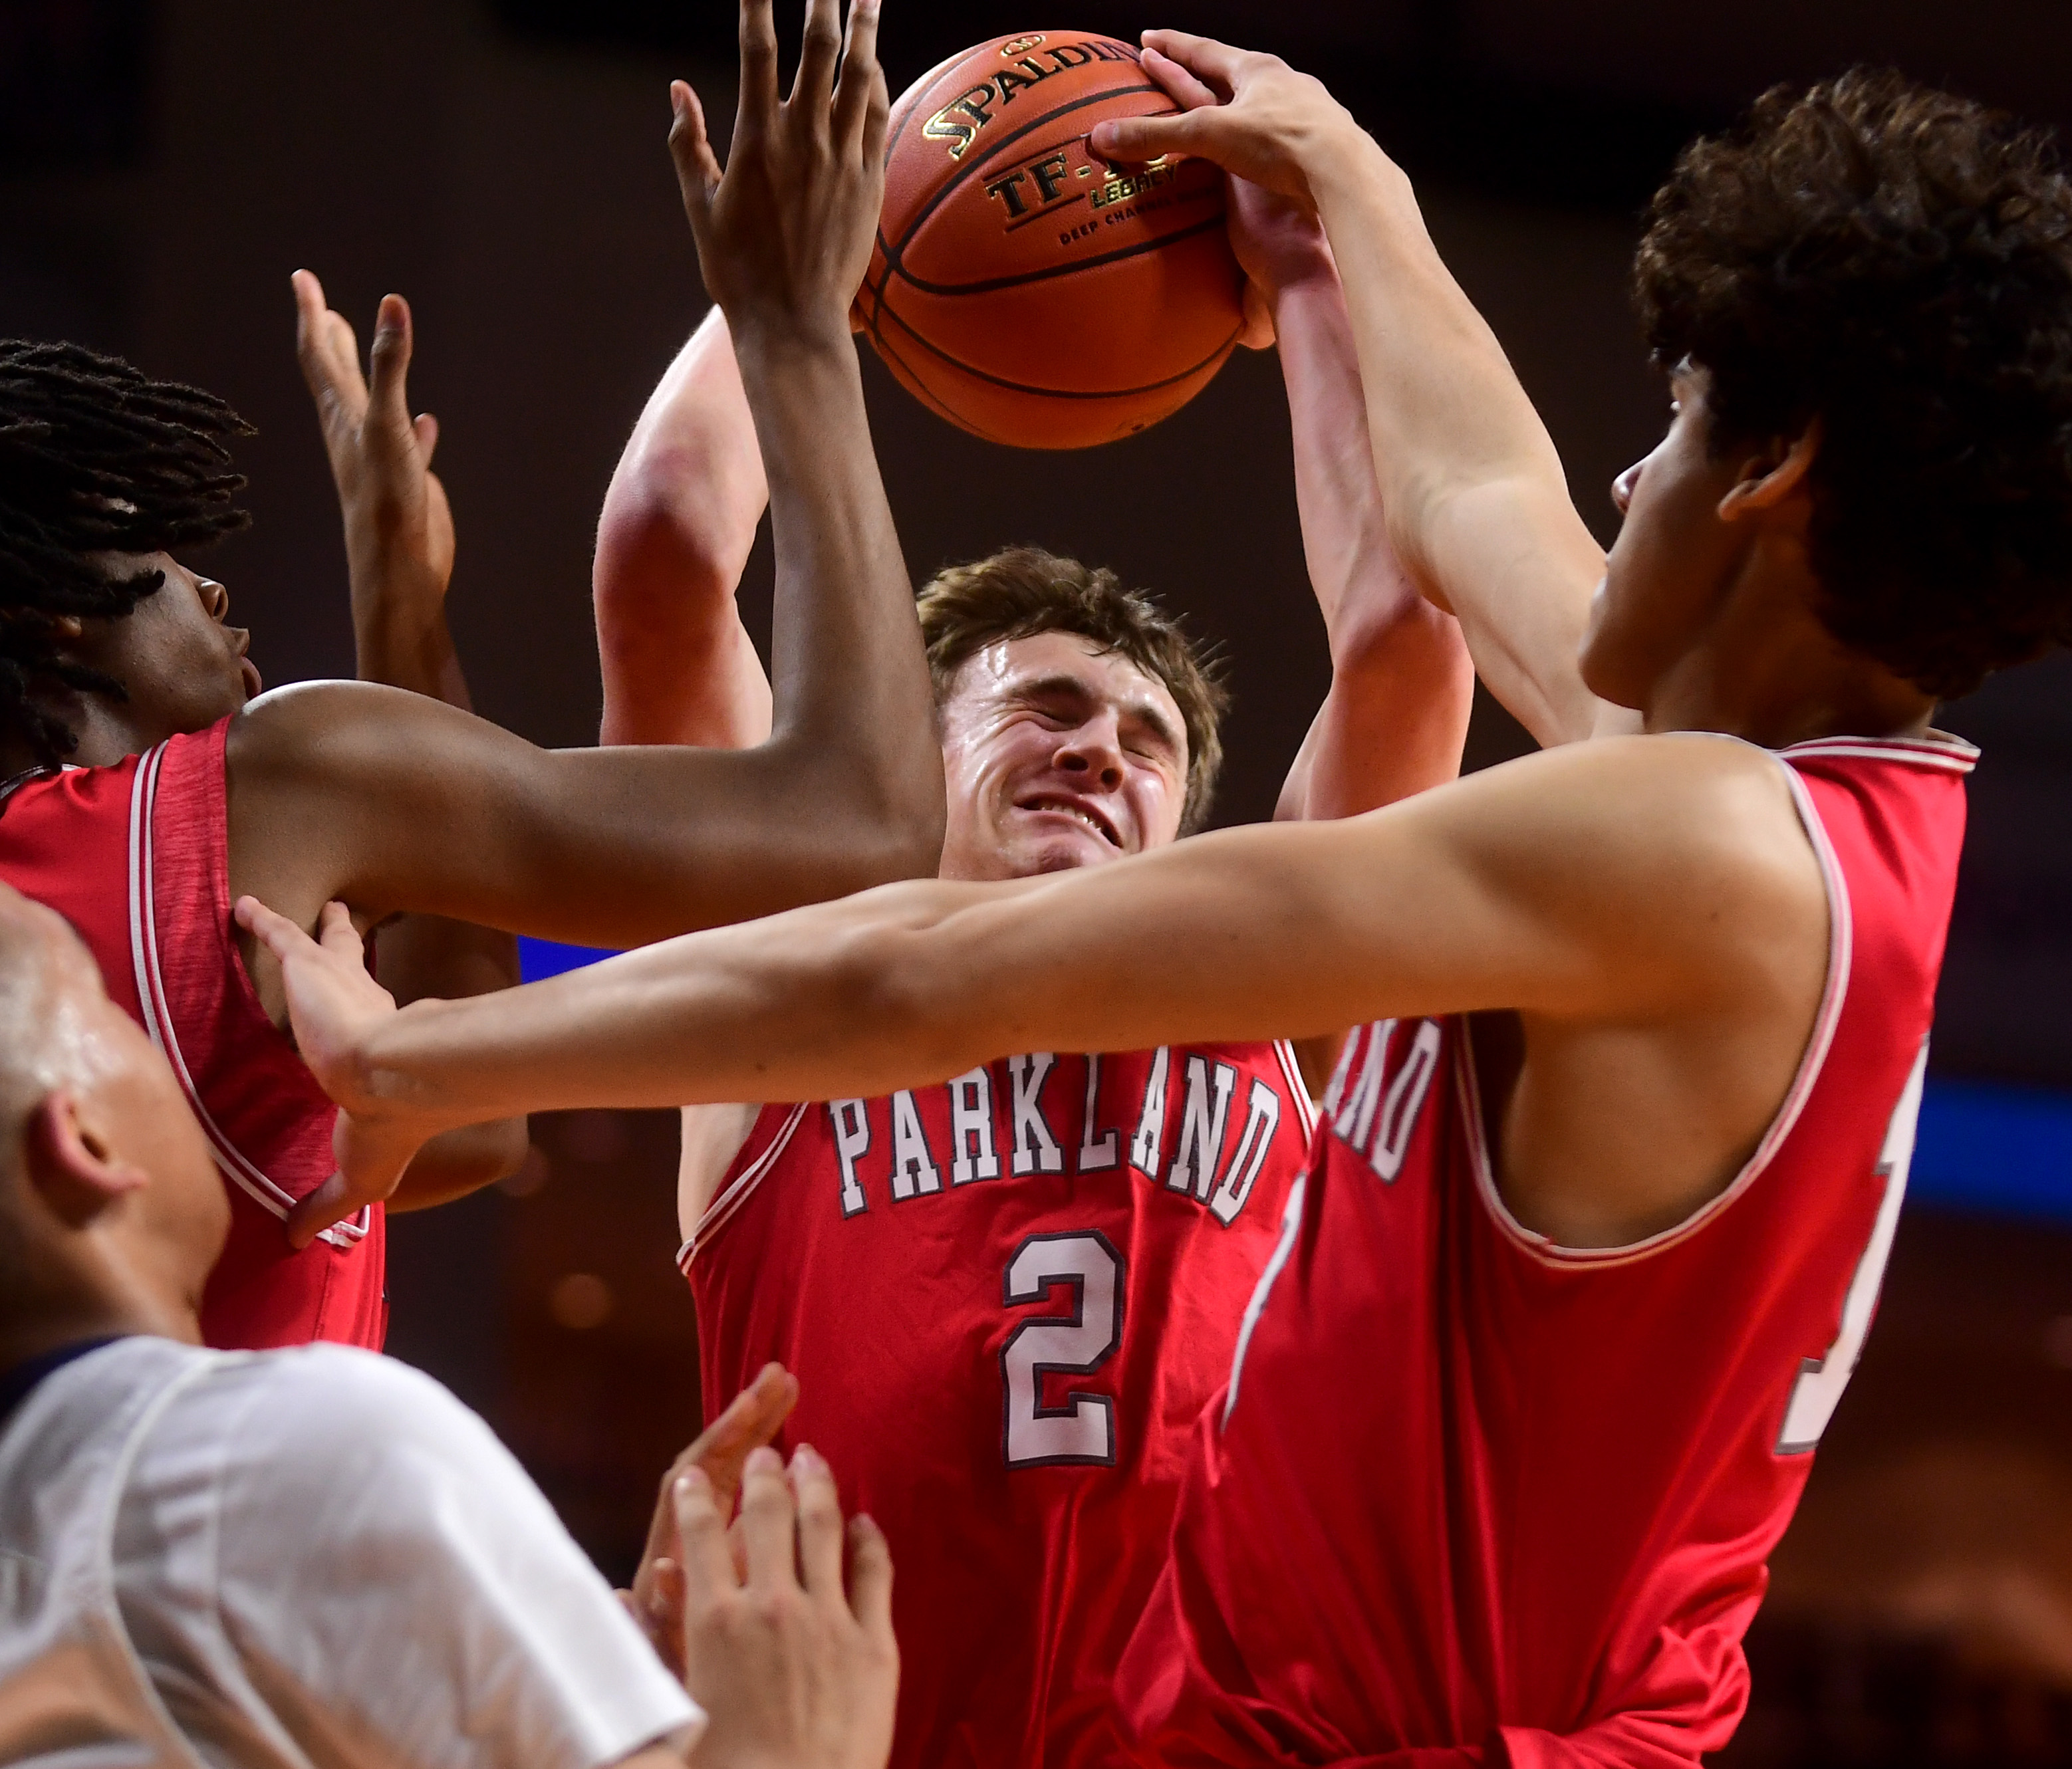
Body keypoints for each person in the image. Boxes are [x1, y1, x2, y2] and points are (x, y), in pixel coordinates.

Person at [239, 49, 2072, 1768]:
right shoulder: (1754, 814)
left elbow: (927, 971)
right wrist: (1339, 198)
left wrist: (425, 1056)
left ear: (1771, 477)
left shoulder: (1681, 849)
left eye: (1669, 429)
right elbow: (1467, 507)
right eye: (1039, 708)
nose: (1619, 473)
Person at [576, 154, 1470, 1768]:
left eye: (1142, 741)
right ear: (915, 763)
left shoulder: (1278, 1004)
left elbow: (1409, 627)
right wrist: (811, 280)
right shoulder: (784, 981)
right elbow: (663, 546)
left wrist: (1314, 273)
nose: (1096, 753)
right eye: (1043, 709)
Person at [0, 0, 944, 1352]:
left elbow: (470, 1119)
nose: (212, 584)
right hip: (246, 1559)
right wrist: (794, 337)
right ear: (48, 614)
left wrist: (399, 608)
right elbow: (860, 825)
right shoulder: (263, 779)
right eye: (161, 557)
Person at [0, 864, 896, 1769]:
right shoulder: (281, 1452)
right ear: (81, 1139)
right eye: (102, 997)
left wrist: (602, 1697)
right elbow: (838, 818)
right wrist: (787, 1745)